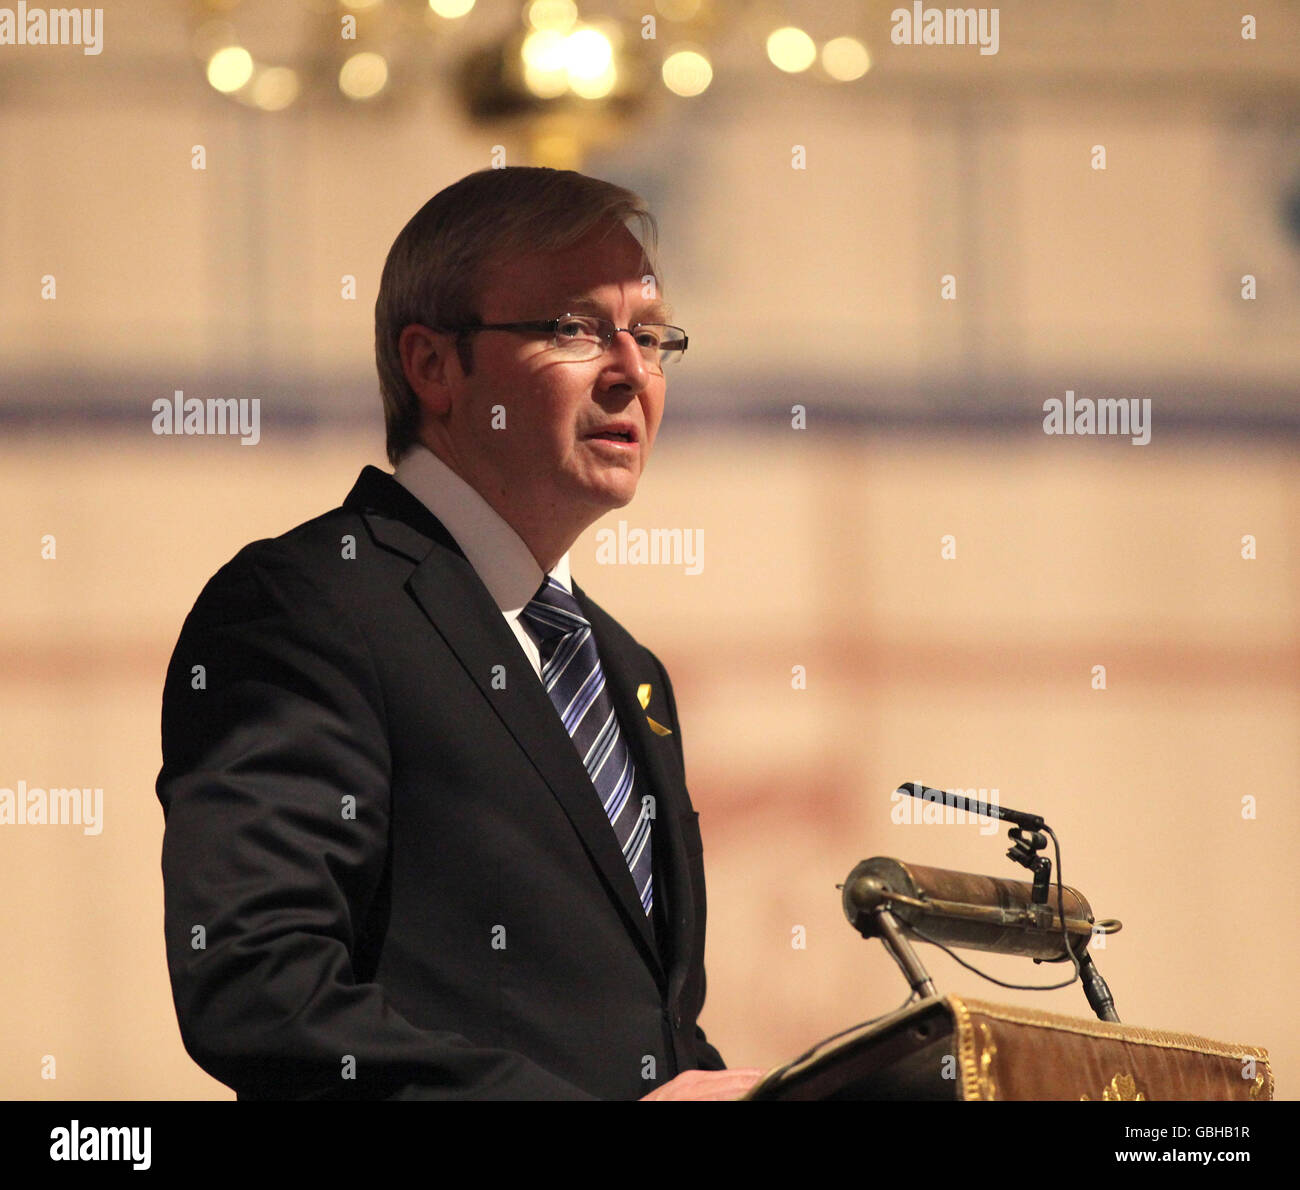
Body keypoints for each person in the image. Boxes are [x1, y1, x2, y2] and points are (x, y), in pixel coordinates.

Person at [155, 166, 763, 1101]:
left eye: (649, 336)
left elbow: (637, 1029)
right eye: (574, 328)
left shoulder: (627, 670)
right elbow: (261, 988)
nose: (630, 372)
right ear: (434, 366)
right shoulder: (305, 607)